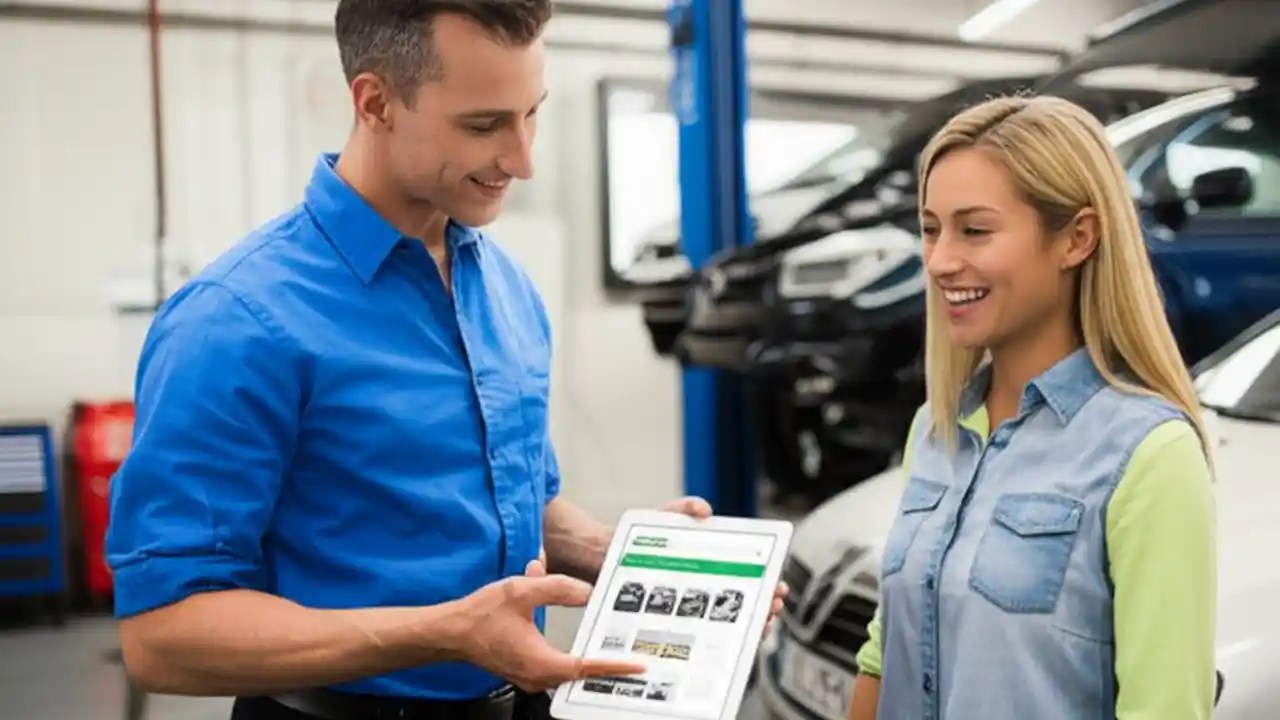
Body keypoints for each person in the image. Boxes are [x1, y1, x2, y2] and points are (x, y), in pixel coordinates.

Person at [104, 2, 785, 719]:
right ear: (375, 102)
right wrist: (447, 633)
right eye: (484, 124)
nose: (522, 160)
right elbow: (164, 636)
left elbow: (504, 502)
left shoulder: (506, 289)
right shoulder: (236, 319)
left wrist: (629, 551)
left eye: (533, 114)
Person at [846, 95, 1217, 720]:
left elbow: (1166, 708)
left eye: (975, 230)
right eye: (931, 229)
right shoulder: (935, 433)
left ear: (1077, 238)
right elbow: (886, 657)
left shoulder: (1150, 455)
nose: (939, 262)